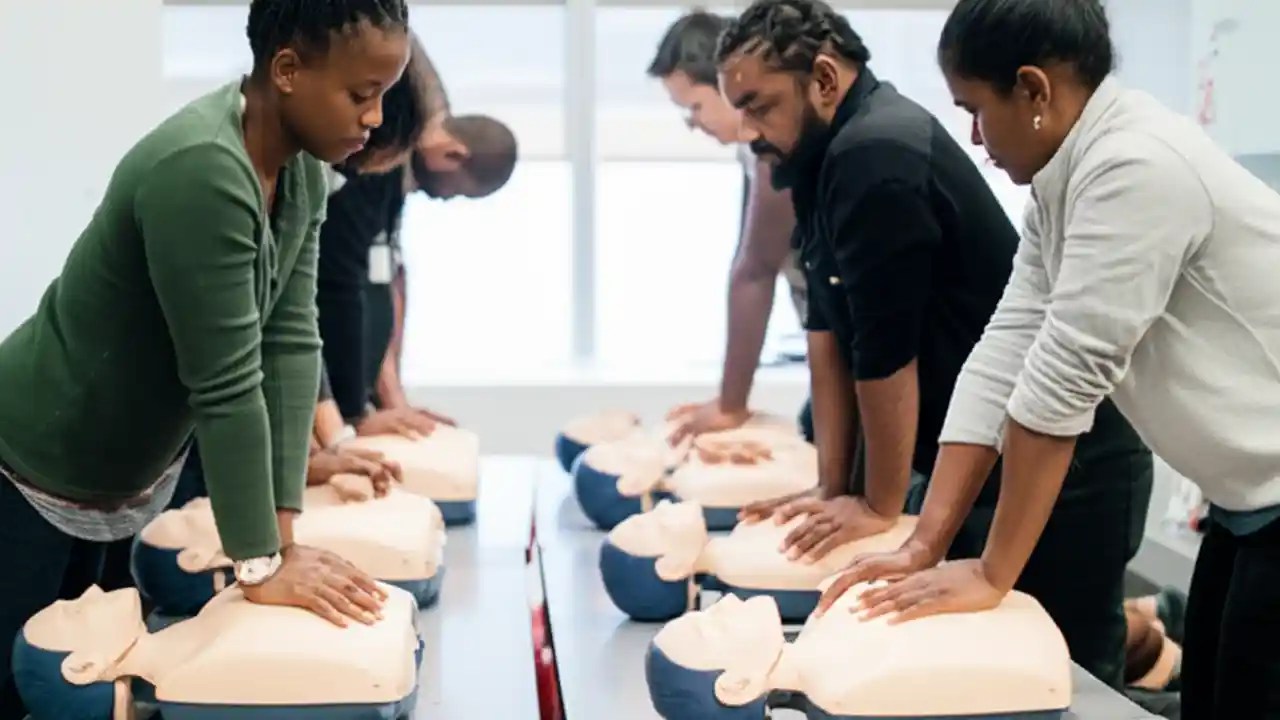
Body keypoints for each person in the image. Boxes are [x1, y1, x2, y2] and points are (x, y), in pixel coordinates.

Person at [818, 1, 1280, 717]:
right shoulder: (1066, 182)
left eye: (976, 109)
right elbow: (1005, 351)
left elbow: (1060, 384)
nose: (973, 137)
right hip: (1245, 505)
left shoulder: (1138, 168)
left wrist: (993, 572)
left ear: (1034, 90)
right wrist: (925, 542)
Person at [716, 0, 1151, 689]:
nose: (745, 131)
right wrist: (835, 486)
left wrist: (878, 507)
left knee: (1064, 679)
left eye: (758, 106)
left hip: (1070, 469)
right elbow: (832, 332)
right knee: (989, 667)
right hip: (985, 455)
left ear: (824, 80)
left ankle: (1150, 651)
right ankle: (1151, 649)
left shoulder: (876, 156)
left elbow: (888, 357)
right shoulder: (821, 163)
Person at [0, 0, 413, 714]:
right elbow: (227, 383)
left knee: (91, 696)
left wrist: (281, 543)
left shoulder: (304, 173)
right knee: (23, 689)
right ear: (287, 70)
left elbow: (288, 345)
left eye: (382, 96)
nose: (373, 119)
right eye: (361, 94)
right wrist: (261, 561)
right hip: (33, 461)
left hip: (118, 476)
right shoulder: (201, 170)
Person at [318, 31, 519, 426]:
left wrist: (389, 389)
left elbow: (389, 274)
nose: (443, 200)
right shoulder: (374, 158)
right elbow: (336, 283)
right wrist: (350, 415)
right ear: (454, 154)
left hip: (358, 399)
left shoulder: (401, 163)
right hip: (331, 404)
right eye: (457, 193)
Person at [646, 11, 812, 444]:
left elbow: (755, 269)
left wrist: (730, 405)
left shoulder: (776, 147)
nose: (694, 124)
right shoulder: (753, 151)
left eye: (695, 107)